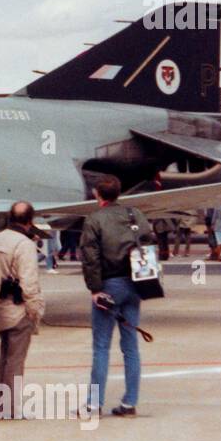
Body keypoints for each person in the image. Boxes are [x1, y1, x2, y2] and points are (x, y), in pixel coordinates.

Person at [79, 175, 155, 416]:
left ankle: (94, 403)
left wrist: (95, 288)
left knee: (101, 347)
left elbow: (90, 256)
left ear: (96, 194)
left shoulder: (94, 219)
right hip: (135, 283)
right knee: (130, 346)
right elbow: (149, 241)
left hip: (110, 284)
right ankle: (130, 401)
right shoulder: (135, 214)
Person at [0, 202, 45, 420]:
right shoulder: (24, 244)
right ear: (30, 221)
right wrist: (34, 310)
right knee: (15, 359)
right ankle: (11, 408)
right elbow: (29, 281)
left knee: (4, 356)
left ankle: (2, 404)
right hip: (17, 307)